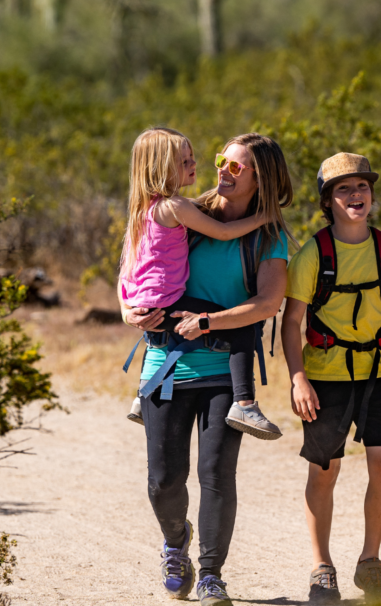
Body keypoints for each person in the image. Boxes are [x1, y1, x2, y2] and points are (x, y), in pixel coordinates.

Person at [120, 132, 295, 606]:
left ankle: (212, 576)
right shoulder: (182, 213)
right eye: (222, 160)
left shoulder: (268, 236)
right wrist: (129, 313)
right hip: (165, 364)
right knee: (163, 481)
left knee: (216, 473)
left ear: (263, 179)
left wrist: (209, 322)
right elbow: (132, 272)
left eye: (237, 167)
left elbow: (268, 303)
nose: (222, 170)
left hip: (224, 367)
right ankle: (176, 544)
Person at [280, 153, 381, 606]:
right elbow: (290, 322)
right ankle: (321, 569)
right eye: (343, 190)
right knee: (325, 470)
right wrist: (298, 380)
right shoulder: (313, 254)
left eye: (362, 188)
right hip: (325, 376)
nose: (355, 196)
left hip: (378, 373)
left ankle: (370, 562)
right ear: (328, 201)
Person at [119, 127, 280, 438]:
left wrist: (129, 308)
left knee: (230, 319)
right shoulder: (176, 207)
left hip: (149, 300)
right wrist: (264, 217)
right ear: (160, 169)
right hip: (167, 301)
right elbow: (223, 232)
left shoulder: (144, 209)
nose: (197, 164)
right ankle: (245, 402)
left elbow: (127, 270)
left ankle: (143, 397)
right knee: (241, 322)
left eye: (192, 158)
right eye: (184, 161)